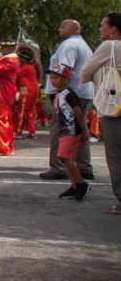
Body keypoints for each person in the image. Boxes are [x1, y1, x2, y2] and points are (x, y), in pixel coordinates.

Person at [40, 20, 94, 181]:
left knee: (59, 130)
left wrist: (60, 91)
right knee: (80, 129)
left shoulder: (68, 45)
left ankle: (59, 167)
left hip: (70, 93)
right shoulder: (84, 45)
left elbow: (64, 70)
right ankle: (84, 167)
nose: (59, 29)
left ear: (73, 28)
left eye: (63, 26)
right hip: (84, 91)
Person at [81, 12, 121, 215]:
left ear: (113, 28)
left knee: (115, 155)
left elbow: (85, 72)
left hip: (114, 108)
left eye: (103, 25)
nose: (100, 29)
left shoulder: (110, 46)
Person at [48, 64, 90, 200]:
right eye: (51, 78)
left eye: (56, 78)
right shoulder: (59, 94)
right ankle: (75, 185)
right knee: (66, 158)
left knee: (63, 156)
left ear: (66, 79)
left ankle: (81, 184)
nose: (52, 80)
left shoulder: (69, 94)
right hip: (64, 131)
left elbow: (79, 113)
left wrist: (85, 131)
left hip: (72, 130)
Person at [15, 46, 40, 139]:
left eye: (20, 58)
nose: (19, 59)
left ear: (25, 59)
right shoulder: (30, 67)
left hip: (27, 91)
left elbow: (15, 73)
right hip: (32, 91)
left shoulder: (26, 67)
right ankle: (31, 131)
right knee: (30, 112)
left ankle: (18, 131)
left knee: (22, 112)